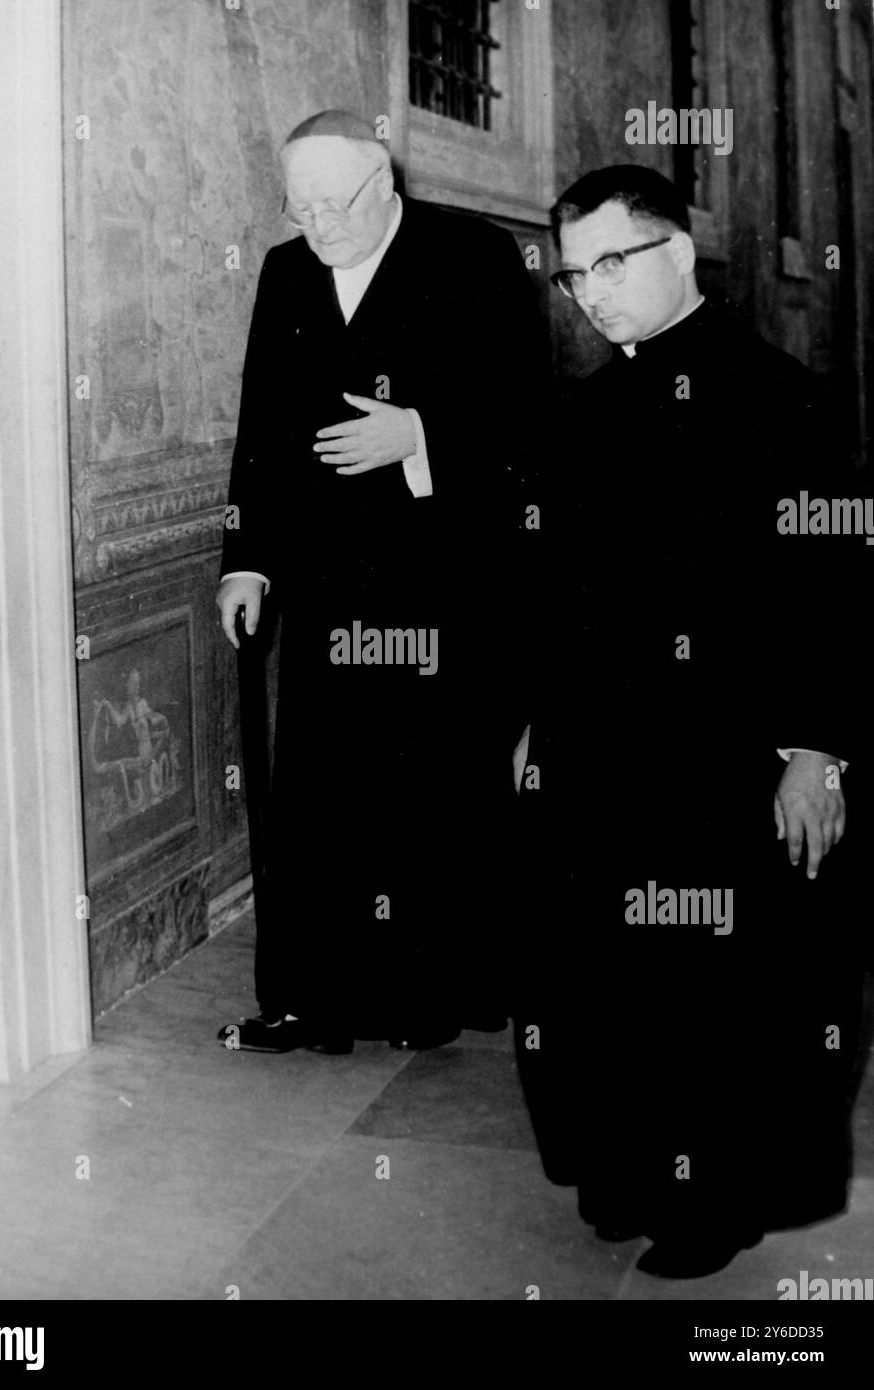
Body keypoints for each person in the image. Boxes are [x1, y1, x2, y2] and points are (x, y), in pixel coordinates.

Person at [514, 164, 868, 1279]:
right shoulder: (584, 409)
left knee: (717, 993)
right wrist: (538, 719)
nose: (589, 294)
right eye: (574, 277)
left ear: (680, 251)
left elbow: (839, 587)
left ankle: (716, 1204)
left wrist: (818, 748)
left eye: (610, 265)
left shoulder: (786, 398)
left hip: (726, 760)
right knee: (604, 984)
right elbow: (556, 588)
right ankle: (623, 1176)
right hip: (602, 753)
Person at [216, 110, 541, 1055]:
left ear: (383, 180)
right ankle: (309, 999)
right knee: (320, 795)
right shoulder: (287, 271)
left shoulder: (473, 257)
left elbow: (529, 424)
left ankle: (422, 1000)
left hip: (444, 582)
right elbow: (262, 432)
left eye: (333, 204)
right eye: (298, 205)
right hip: (326, 587)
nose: (315, 226)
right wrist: (246, 557)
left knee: (431, 796)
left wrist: (421, 436)